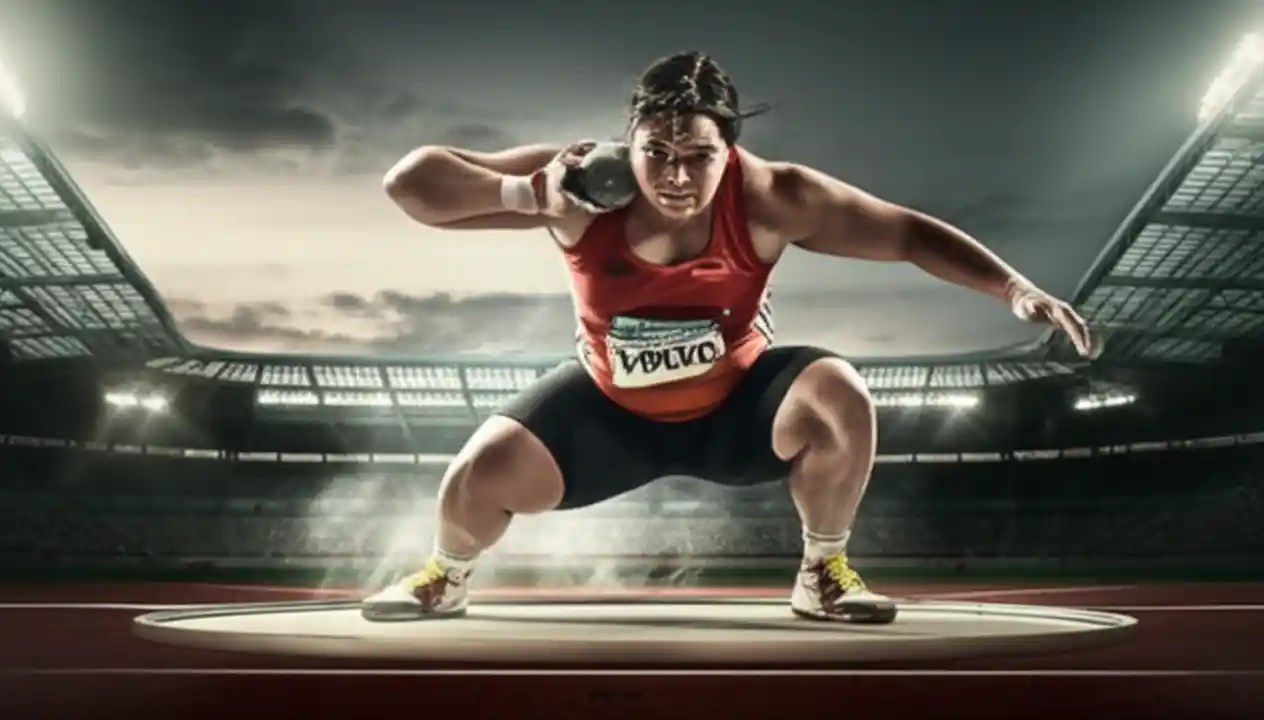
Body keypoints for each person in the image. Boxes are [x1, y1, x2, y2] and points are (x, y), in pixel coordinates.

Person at [362, 51, 1093, 624]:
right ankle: (444, 578)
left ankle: (823, 575)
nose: (676, 176)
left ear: (730, 150)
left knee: (839, 391)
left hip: (737, 414)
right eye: (656, 153)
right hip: (610, 413)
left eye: (698, 157)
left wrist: (1013, 288)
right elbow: (410, 185)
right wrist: (525, 194)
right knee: (474, 478)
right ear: (629, 143)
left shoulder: (772, 197)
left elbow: (905, 233)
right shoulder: (581, 183)